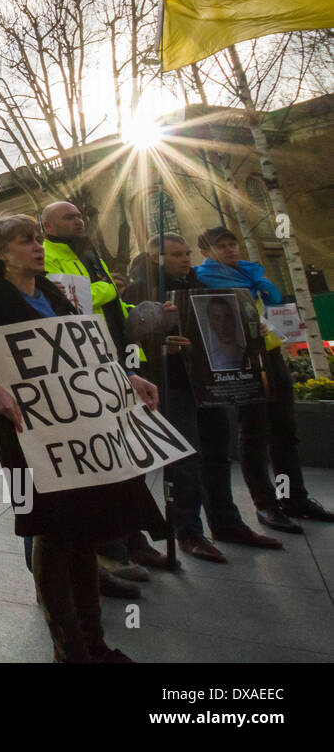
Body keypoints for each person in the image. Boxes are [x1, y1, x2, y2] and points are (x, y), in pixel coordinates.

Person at [0, 215, 166, 662]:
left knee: (82, 533)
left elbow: (87, 351)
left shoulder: (53, 293)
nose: (38, 247)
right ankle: (69, 650)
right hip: (24, 431)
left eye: (39, 239)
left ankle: (94, 643)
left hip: (73, 431)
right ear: (0, 252)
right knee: (52, 533)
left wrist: (127, 377)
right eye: (26, 241)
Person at [124, 235, 278, 561]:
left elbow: (224, 323)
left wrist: (251, 326)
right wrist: (161, 345)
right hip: (172, 383)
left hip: (209, 382)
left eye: (187, 253)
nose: (186, 259)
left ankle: (226, 522)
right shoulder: (138, 291)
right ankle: (189, 532)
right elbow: (129, 345)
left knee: (218, 453)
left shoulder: (200, 283)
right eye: (176, 254)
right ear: (155, 258)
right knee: (185, 460)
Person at [40, 200, 163, 587]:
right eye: (68, 217)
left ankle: (132, 537)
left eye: (80, 215)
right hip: (85, 367)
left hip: (119, 361)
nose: (78, 221)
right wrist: (109, 289)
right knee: (106, 462)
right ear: (47, 227)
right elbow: (65, 303)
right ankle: (108, 549)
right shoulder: (46, 255)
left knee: (130, 458)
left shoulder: (89, 255)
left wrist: (143, 313)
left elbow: (111, 306)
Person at [195, 226, 334, 531]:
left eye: (234, 244)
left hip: (270, 355)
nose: (231, 250)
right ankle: (266, 505)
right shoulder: (201, 279)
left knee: (285, 432)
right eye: (222, 246)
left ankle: (292, 497)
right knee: (255, 434)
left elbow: (270, 309)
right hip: (240, 361)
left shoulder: (254, 276)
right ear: (206, 252)